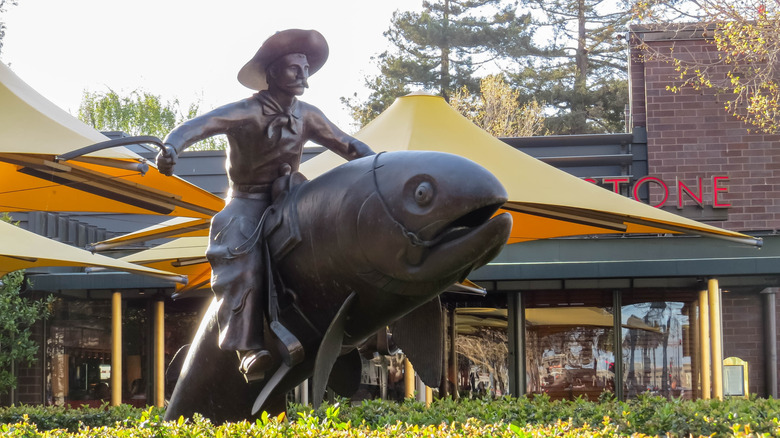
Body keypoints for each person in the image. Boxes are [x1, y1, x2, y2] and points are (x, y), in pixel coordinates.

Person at [156, 29, 375, 382]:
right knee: (241, 256)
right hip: (246, 201)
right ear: (271, 73)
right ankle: (247, 348)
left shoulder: (309, 115)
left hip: (290, 198)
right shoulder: (246, 111)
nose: (302, 75)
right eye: (293, 68)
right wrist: (171, 147)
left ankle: (349, 330)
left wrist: (382, 168)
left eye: (305, 68)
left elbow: (349, 146)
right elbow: (195, 127)